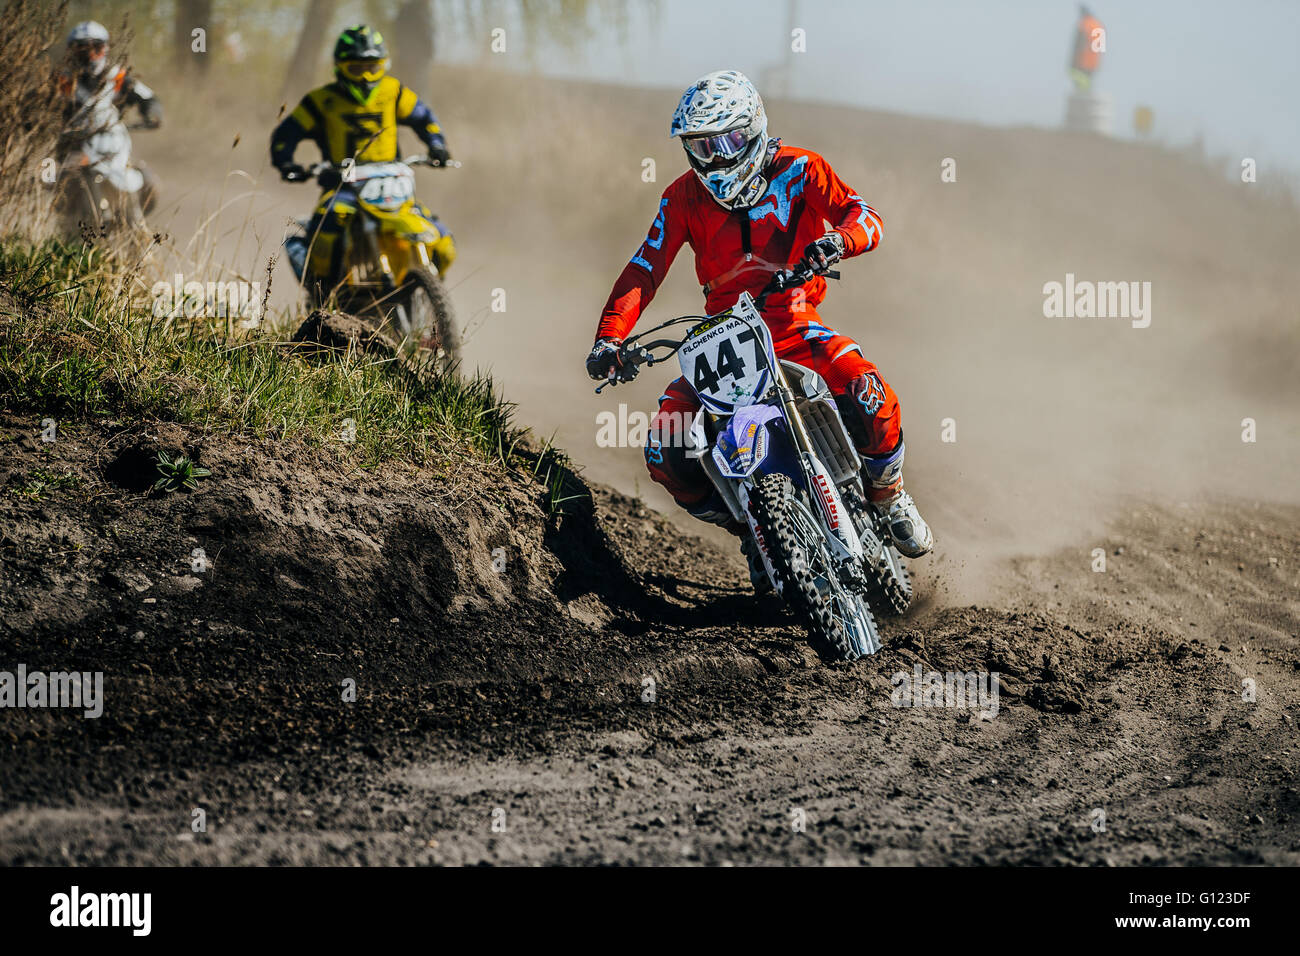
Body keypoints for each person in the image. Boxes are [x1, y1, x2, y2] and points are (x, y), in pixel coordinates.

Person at [586, 70, 932, 589]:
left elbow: (864, 214)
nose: (717, 157)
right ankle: (753, 526)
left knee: (868, 390)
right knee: (664, 445)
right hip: (724, 337)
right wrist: (610, 338)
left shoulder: (801, 168)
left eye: (727, 140)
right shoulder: (682, 198)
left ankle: (888, 494)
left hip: (794, 323)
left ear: (753, 130)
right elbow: (645, 267)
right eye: (701, 147)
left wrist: (840, 241)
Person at [269, 24, 454, 289]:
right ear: (340, 67)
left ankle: (432, 300)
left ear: (384, 65)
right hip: (342, 188)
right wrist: (286, 164)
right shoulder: (322, 100)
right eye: (356, 68)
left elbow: (425, 119)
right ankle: (323, 297)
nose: (366, 77)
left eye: (373, 67)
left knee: (442, 239)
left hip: (393, 186)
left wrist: (437, 146)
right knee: (327, 234)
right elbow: (285, 135)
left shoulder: (394, 91)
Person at [55, 20, 162, 213]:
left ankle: (137, 230)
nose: (89, 54)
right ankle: (68, 227)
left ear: (105, 49)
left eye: (96, 48)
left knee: (143, 178)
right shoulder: (64, 81)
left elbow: (147, 97)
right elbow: (39, 108)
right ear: (72, 52)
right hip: (76, 146)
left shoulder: (117, 77)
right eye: (81, 49)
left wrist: (152, 113)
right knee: (57, 180)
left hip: (113, 144)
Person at [1070, 5, 1105, 92]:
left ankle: (1082, 94)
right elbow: (1101, 48)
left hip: (1083, 60)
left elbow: (1078, 45)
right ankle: (1086, 93)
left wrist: (1073, 60)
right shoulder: (1098, 25)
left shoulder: (1084, 24)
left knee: (1077, 77)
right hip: (1094, 62)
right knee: (1088, 81)